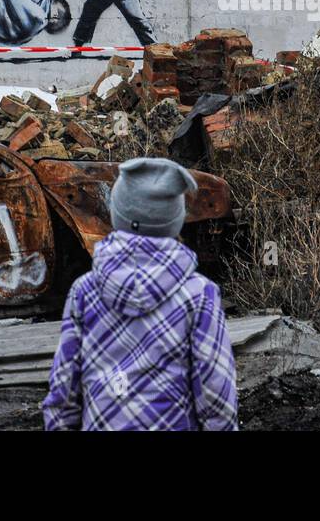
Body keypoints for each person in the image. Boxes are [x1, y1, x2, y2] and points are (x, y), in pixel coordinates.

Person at [41, 157, 238, 431]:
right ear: (176, 219)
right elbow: (215, 394)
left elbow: (65, 390)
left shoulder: (84, 291)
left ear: (117, 215)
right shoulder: (200, 295)